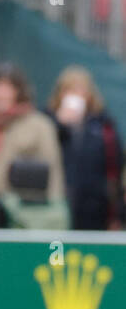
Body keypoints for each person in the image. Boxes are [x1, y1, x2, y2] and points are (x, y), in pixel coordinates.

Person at [0, 63, 65, 224]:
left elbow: (53, 178)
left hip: (23, 217)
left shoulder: (39, 126)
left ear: (18, 92)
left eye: (5, 87)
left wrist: (51, 217)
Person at [46, 66, 124, 231]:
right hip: (54, 207)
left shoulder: (104, 127)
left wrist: (116, 214)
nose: (75, 95)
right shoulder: (46, 123)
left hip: (94, 211)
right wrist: (60, 124)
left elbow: (114, 173)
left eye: (80, 90)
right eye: (69, 90)